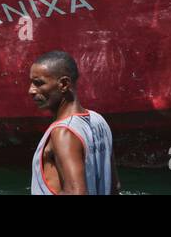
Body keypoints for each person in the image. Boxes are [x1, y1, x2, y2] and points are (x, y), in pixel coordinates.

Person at [28, 50, 118, 195]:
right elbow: (115, 187)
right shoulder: (99, 120)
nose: (31, 90)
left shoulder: (63, 132)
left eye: (39, 83)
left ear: (64, 84)